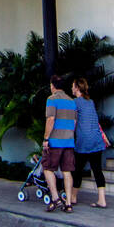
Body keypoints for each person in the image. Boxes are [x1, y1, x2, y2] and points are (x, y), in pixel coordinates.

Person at [69, 77, 111, 208]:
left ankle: (73, 197)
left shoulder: (75, 102)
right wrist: (104, 136)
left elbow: (74, 123)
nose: (71, 88)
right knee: (97, 170)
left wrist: (69, 136)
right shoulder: (90, 102)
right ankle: (102, 200)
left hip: (84, 141)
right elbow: (95, 121)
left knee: (78, 170)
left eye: (72, 86)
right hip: (96, 140)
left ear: (77, 88)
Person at [41, 73, 76, 213]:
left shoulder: (51, 99)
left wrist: (46, 138)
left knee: (48, 168)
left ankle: (55, 198)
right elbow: (74, 122)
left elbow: (50, 119)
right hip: (69, 141)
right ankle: (68, 203)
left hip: (55, 141)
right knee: (67, 171)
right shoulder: (71, 101)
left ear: (53, 86)